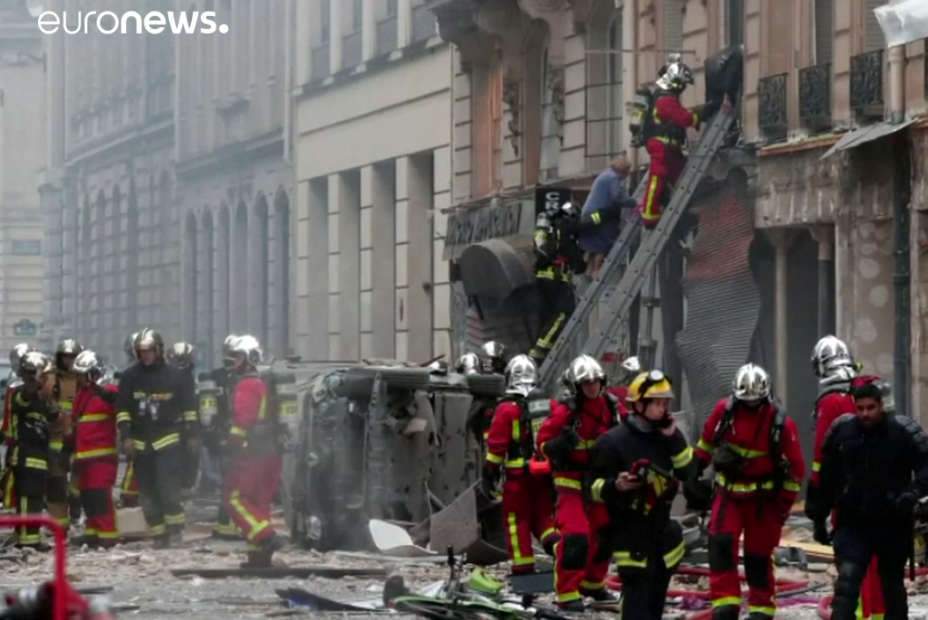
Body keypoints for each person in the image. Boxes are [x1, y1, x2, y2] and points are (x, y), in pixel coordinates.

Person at [806, 381, 928, 620]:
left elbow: (925, 469)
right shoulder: (842, 432)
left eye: (870, 408)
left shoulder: (902, 432)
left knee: (891, 585)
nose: (865, 413)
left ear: (881, 406)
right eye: (860, 408)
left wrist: (912, 494)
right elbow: (826, 477)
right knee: (848, 580)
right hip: (854, 522)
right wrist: (818, 517)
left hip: (892, 520)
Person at [694, 363, 805, 620]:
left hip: (762, 501)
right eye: (745, 402)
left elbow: (796, 470)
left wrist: (782, 508)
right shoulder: (725, 412)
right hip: (728, 494)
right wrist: (694, 471)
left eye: (755, 403)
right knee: (720, 545)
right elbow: (706, 442)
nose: (750, 406)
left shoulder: (781, 424)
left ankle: (761, 609)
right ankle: (725, 604)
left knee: (757, 555)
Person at [591, 369, 694, 618]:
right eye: (658, 403)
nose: (664, 409)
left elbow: (688, 472)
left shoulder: (668, 435)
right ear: (638, 404)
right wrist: (616, 485)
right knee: (637, 596)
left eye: (666, 403)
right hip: (630, 532)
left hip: (661, 531)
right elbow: (590, 488)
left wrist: (674, 440)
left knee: (656, 597)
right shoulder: (612, 442)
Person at [536, 355, 619, 610]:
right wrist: (557, 445)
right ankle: (567, 591)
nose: (592, 387)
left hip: (598, 481)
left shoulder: (611, 407)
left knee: (605, 532)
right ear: (576, 386)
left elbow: (626, 432)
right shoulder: (566, 412)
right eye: (586, 383)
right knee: (576, 535)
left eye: (596, 381)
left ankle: (593, 584)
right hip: (570, 482)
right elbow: (541, 444)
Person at [116, 328, 198, 547]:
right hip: (141, 443)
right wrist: (126, 437)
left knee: (168, 488)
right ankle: (159, 534)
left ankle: (176, 531)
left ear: (159, 350)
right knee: (147, 492)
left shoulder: (176, 376)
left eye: (150, 351)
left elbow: (190, 408)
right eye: (142, 352)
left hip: (168, 439)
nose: (146, 356)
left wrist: (191, 435)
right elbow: (123, 410)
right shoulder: (129, 377)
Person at [482, 355, 558, 575]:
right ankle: (559, 549)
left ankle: (523, 568)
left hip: (517, 480)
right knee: (544, 517)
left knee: (517, 522)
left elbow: (497, 447)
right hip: (543, 476)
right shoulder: (548, 405)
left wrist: (489, 473)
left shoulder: (506, 409)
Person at [223, 335, 285, 567]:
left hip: (252, 453)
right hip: (270, 451)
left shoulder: (247, 385)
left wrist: (231, 445)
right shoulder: (264, 383)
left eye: (238, 357)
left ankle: (266, 537)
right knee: (259, 503)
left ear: (250, 358)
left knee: (235, 499)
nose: (233, 362)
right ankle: (259, 557)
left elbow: (243, 421)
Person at [638, 54, 702, 229]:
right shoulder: (665, 100)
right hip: (661, 145)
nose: (683, 88)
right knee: (658, 176)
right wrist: (699, 115)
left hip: (670, 147)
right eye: (683, 84)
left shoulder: (665, 98)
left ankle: (686, 205)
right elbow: (683, 118)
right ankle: (649, 213)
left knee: (681, 174)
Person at [5, 352, 57, 550]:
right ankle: (26, 541)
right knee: (26, 498)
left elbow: (54, 416)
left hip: (40, 457)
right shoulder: (21, 393)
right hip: (24, 455)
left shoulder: (43, 399)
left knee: (35, 499)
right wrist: (34, 381)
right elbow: (24, 398)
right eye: (43, 376)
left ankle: (32, 537)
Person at [71, 350, 120, 548]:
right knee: (87, 497)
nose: (79, 378)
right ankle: (93, 533)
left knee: (100, 496)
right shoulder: (82, 395)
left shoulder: (108, 393)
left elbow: (122, 408)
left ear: (93, 374)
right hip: (83, 457)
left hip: (101, 457)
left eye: (82, 375)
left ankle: (108, 535)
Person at [578, 154, 638, 278]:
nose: (627, 175)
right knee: (606, 240)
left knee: (594, 241)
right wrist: (633, 202)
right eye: (627, 171)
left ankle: (589, 270)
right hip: (599, 215)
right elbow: (616, 197)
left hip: (589, 215)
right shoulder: (613, 178)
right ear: (624, 170)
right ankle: (597, 271)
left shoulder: (605, 175)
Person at [49, 338, 83, 531]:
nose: (68, 361)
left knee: (77, 484)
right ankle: (59, 525)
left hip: (78, 437)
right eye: (65, 357)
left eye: (72, 357)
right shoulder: (51, 379)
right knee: (56, 483)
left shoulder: (83, 378)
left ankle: (76, 512)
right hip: (56, 438)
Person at [167, 342, 200, 491]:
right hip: (179, 428)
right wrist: (193, 433)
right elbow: (190, 406)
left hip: (174, 427)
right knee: (186, 459)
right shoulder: (186, 379)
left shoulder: (173, 377)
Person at [117, 330, 141, 508]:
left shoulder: (160, 373)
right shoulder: (129, 375)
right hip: (137, 427)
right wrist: (126, 433)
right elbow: (123, 406)